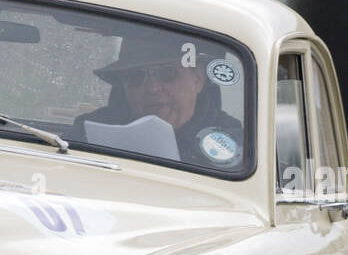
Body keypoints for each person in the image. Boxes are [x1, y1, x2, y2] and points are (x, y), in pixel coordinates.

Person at [68, 30, 245, 169]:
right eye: (136, 77)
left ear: (197, 79)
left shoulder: (236, 147)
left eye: (167, 73)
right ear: (124, 87)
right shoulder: (91, 132)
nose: (152, 88)